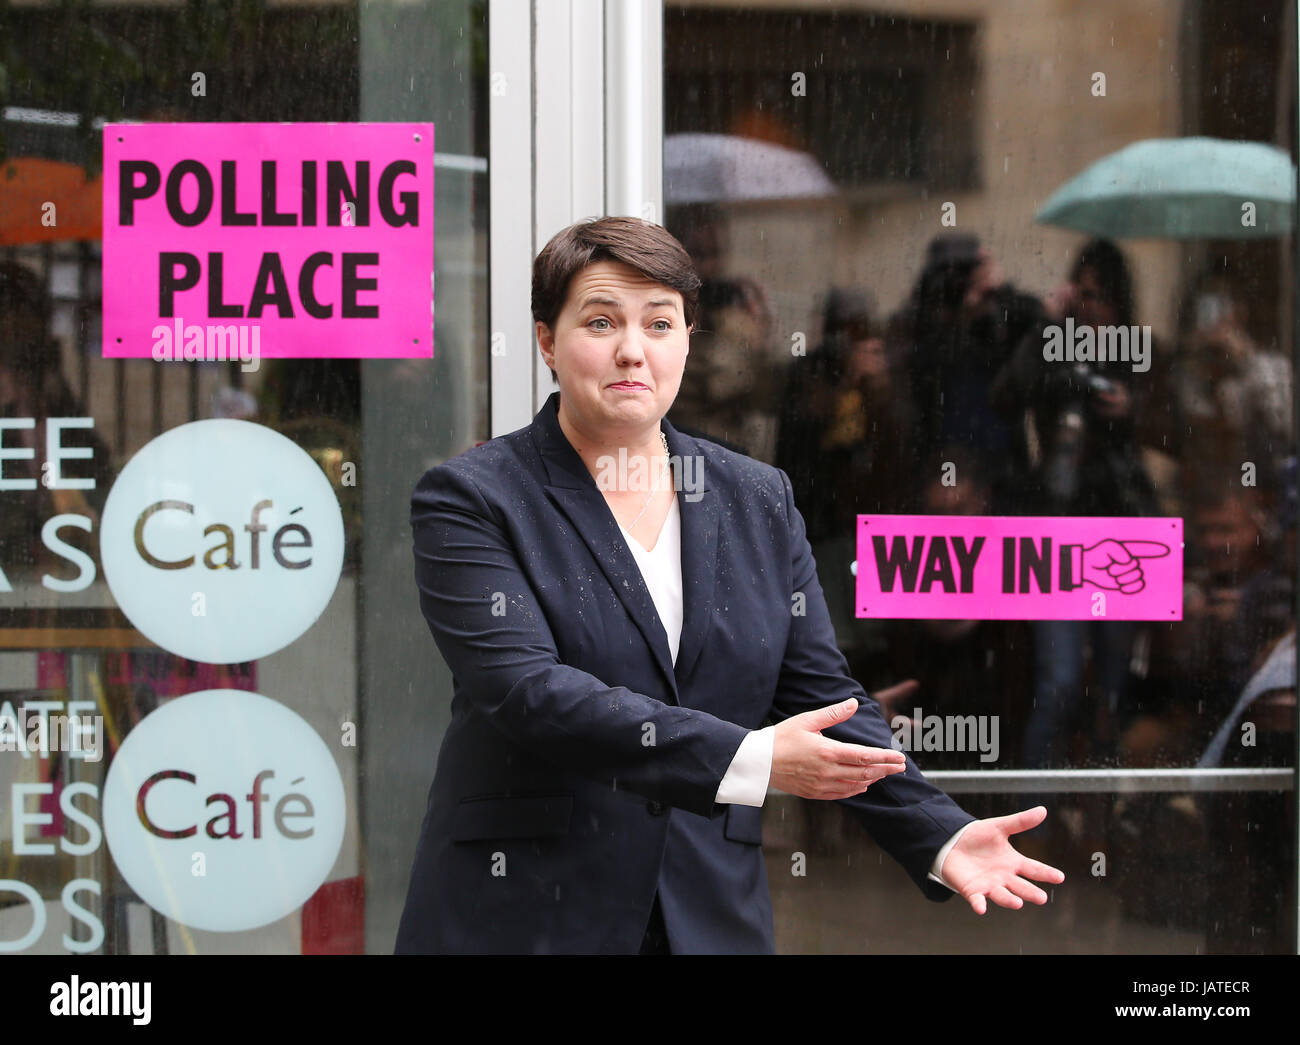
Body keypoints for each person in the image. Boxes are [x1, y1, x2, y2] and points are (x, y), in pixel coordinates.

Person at [394, 217, 1064, 954]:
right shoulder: (473, 498)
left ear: (687, 338)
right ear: (547, 341)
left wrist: (939, 831)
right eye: (600, 321)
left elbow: (820, 695)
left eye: (659, 323)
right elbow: (529, 693)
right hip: (527, 914)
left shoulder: (756, 497)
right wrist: (755, 758)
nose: (632, 350)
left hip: (708, 913)